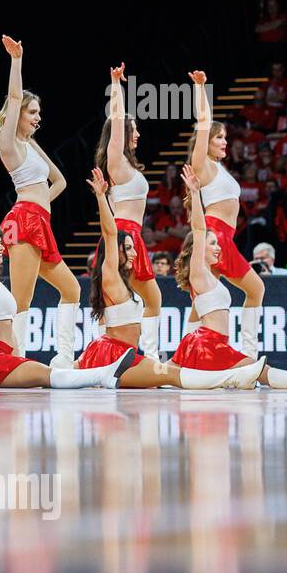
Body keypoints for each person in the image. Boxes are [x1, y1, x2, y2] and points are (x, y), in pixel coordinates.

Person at [0, 168, 133, 390]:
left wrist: (16, 355)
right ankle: (104, 374)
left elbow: (9, 328)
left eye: (1, 242)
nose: (2, 247)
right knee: (47, 375)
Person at [79, 167, 253, 389]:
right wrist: (102, 198)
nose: (135, 253)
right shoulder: (110, 272)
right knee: (169, 374)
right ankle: (232, 378)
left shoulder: (126, 284)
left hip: (125, 357)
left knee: (167, 372)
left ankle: (231, 376)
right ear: (117, 251)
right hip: (113, 355)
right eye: (129, 248)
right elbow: (110, 233)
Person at [172, 164, 287, 389]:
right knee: (261, 371)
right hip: (209, 346)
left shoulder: (210, 277)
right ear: (199, 249)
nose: (218, 248)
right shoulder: (199, 271)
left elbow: (194, 317)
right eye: (213, 244)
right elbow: (199, 230)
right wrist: (194, 192)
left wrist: (184, 352)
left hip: (213, 345)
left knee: (253, 374)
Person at [0, 35, 82, 366]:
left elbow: (59, 181)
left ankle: (64, 359)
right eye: (32, 112)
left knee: (71, 290)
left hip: (40, 221)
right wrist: (16, 60)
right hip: (24, 220)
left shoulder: (31, 144)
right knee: (22, 299)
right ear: (17, 114)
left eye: (39, 112)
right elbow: (14, 97)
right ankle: (14, 360)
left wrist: (43, 200)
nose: (37, 117)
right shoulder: (10, 144)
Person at [187, 69, 263, 356]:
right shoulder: (202, 164)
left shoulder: (218, 168)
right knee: (255, 291)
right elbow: (203, 122)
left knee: (202, 301)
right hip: (215, 234)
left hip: (216, 236)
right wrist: (201, 89)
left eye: (225, 137)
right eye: (219, 138)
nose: (224, 141)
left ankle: (187, 354)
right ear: (206, 142)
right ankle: (249, 355)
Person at [95, 63, 161, 360]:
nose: (138, 134)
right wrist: (116, 84)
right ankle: (145, 357)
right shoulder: (117, 163)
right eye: (133, 130)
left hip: (128, 235)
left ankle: (136, 354)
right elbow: (117, 117)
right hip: (123, 235)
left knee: (132, 299)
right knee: (145, 299)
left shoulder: (127, 166)